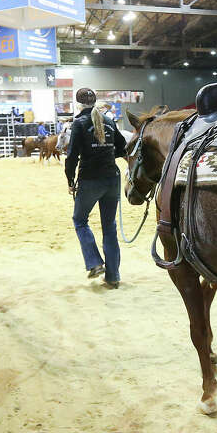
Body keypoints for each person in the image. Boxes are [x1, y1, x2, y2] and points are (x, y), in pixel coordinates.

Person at [65, 88, 127, 289]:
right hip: (112, 178)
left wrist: (70, 180)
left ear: (78, 104)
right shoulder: (108, 121)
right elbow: (122, 146)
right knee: (109, 227)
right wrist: (107, 156)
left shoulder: (79, 123)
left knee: (79, 220)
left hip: (90, 179)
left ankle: (94, 263)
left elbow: (72, 156)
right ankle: (113, 276)